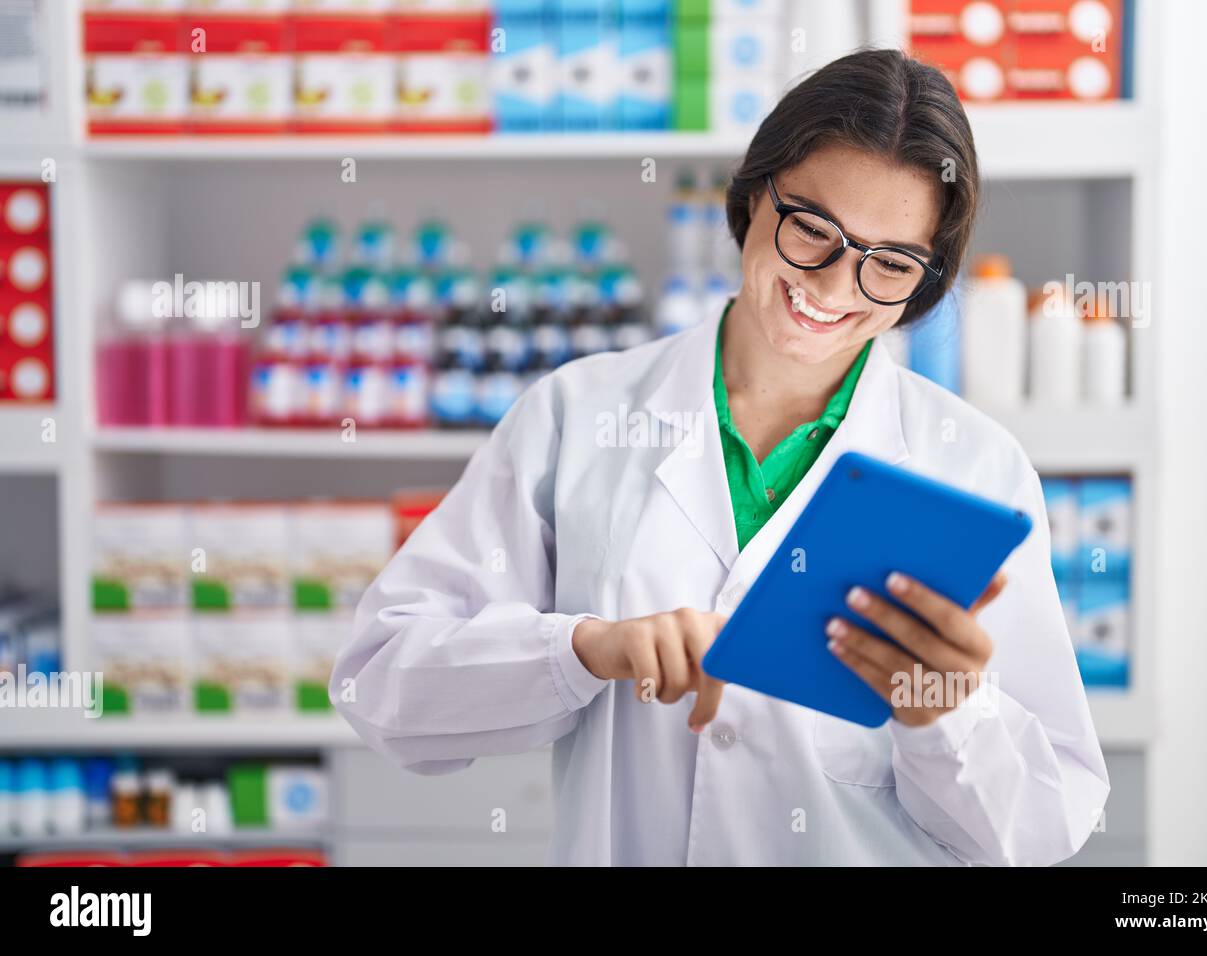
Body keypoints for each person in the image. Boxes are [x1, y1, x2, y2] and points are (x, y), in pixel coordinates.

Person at [330, 48, 1109, 866]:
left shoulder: (975, 469)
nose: (836, 287)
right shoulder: (577, 415)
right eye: (812, 229)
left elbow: (1042, 831)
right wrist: (582, 649)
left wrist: (943, 711)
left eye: (889, 264)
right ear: (752, 195)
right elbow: (382, 684)